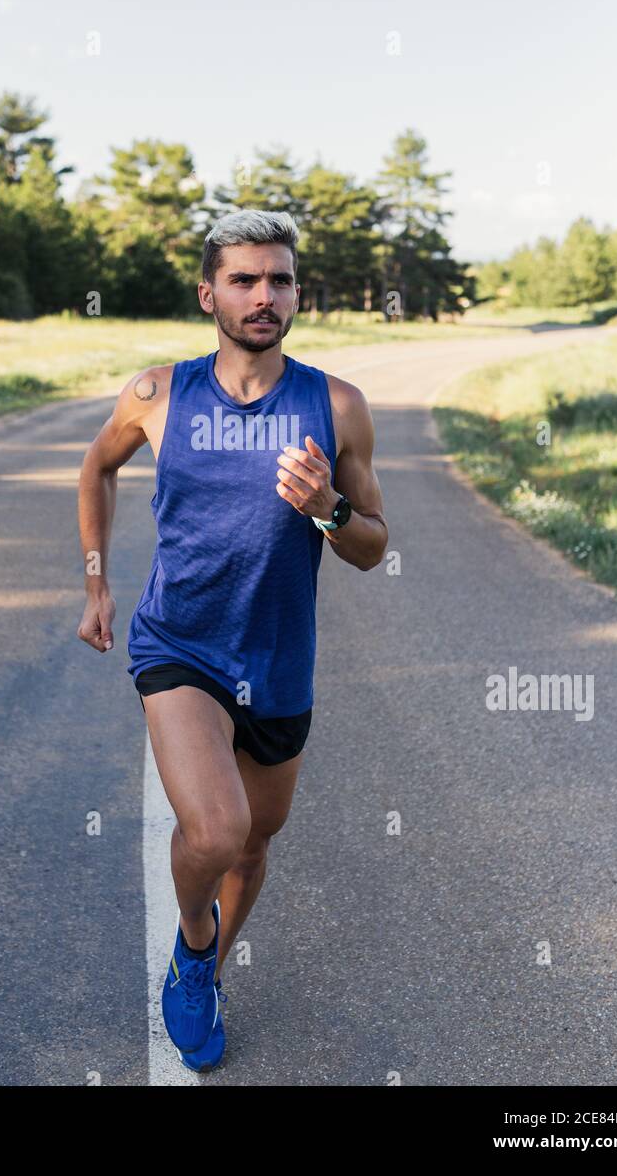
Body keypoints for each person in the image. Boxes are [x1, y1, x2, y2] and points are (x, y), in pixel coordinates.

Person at [77, 209, 387, 1071]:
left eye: (279, 279)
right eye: (245, 280)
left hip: (279, 663)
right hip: (180, 645)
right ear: (208, 291)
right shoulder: (158, 394)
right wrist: (99, 579)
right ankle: (193, 939)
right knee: (216, 831)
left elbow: (373, 547)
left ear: (297, 293)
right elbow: (98, 466)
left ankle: (199, 965)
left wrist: (327, 509)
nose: (264, 295)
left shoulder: (336, 406)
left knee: (255, 841)